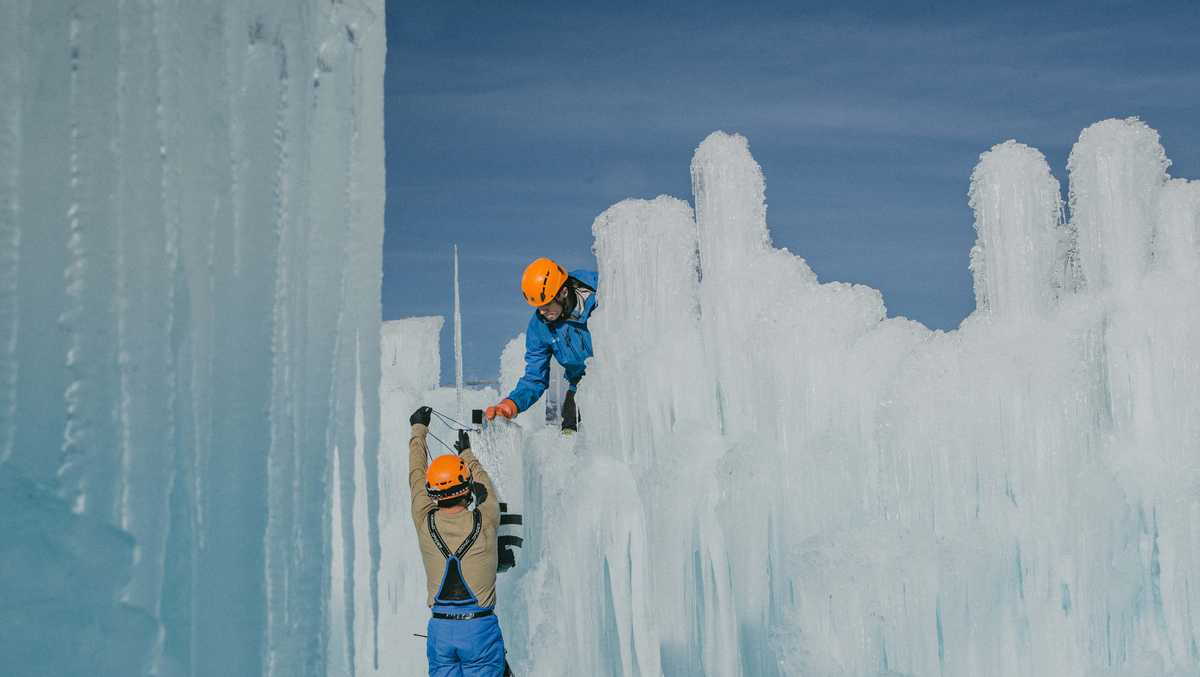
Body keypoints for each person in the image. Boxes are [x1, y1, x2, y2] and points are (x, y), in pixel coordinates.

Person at [408, 406, 507, 676]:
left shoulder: (424, 521)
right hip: (479, 630)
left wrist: (418, 430)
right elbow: (484, 487)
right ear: (466, 489)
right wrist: (467, 454)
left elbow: (416, 476)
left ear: (433, 492)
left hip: (440, 631)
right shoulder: (485, 520)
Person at [486, 257, 598, 432]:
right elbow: (535, 377)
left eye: (546, 305)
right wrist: (511, 404)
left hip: (620, 376)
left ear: (563, 292)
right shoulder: (539, 327)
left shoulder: (600, 292)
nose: (542, 312)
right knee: (569, 434)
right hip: (582, 386)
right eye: (538, 307)